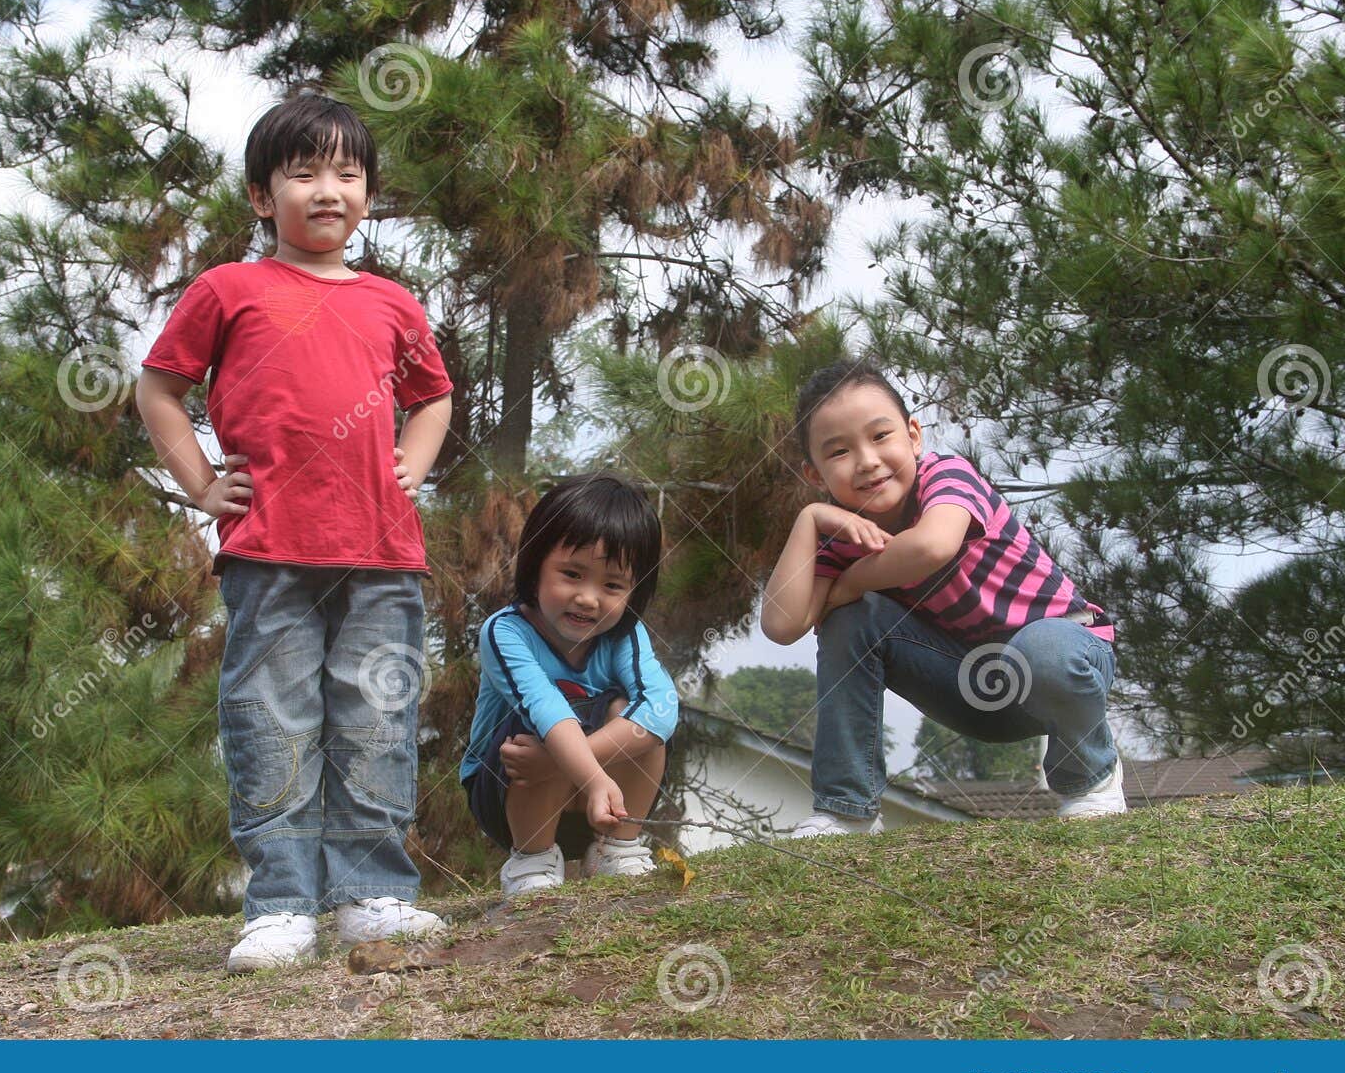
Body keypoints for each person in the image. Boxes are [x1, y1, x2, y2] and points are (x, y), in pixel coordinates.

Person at [136, 93, 454, 970]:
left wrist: (413, 464)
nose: (328, 190)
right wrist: (202, 483)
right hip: (269, 550)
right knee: (272, 719)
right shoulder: (227, 289)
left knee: (377, 717)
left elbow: (432, 395)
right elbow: (159, 388)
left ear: (369, 194)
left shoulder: (393, 302)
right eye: (304, 171)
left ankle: (373, 896)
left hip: (383, 553)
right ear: (259, 195)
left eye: (347, 173)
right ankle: (279, 904)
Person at [761, 358, 1125, 836]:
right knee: (850, 622)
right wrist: (809, 520)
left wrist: (848, 584)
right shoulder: (840, 533)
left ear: (913, 436)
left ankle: (1092, 781)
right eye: (839, 452)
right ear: (815, 474)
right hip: (973, 690)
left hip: (1064, 662)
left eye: (880, 436)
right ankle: (847, 810)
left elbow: (931, 546)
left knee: (1044, 649)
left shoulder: (947, 476)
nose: (867, 461)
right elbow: (782, 625)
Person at [464, 475, 681, 898]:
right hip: (510, 786)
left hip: (605, 802)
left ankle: (619, 848)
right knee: (534, 731)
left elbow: (661, 707)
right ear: (536, 564)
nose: (588, 598)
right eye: (572, 573)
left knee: (637, 718)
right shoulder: (506, 632)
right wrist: (564, 763)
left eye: (612, 585)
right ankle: (531, 863)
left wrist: (570, 764)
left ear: (635, 591)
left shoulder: (624, 634)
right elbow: (545, 707)